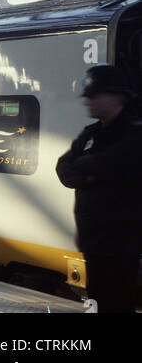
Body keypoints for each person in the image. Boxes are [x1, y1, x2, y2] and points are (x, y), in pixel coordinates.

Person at [55, 64, 142, 313]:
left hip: (121, 243)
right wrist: (92, 173)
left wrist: (86, 170)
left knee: (118, 302)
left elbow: (107, 163)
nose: (87, 102)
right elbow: (64, 168)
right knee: (97, 301)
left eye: (94, 95)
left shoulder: (134, 134)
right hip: (93, 241)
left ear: (116, 97)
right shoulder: (91, 132)